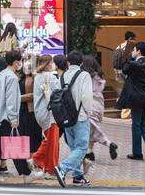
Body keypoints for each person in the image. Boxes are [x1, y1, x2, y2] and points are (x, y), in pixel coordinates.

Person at [0, 49, 33, 180]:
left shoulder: (1, 75)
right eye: (20, 61)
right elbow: (11, 100)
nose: (21, 63)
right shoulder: (12, 78)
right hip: (6, 116)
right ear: (16, 62)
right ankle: (26, 173)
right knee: (14, 143)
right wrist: (14, 118)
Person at [49, 50, 94, 187]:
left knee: (74, 148)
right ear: (81, 62)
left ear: (68, 62)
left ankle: (78, 177)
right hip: (80, 117)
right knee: (82, 148)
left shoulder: (62, 76)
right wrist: (88, 112)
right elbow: (86, 97)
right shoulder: (84, 75)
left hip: (67, 117)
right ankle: (62, 168)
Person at [118, 42, 145, 161]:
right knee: (141, 123)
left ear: (139, 51)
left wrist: (130, 58)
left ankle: (138, 152)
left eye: (134, 50)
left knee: (136, 124)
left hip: (135, 98)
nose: (132, 52)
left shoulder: (133, 64)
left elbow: (124, 69)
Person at [30, 54, 62, 177]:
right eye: (51, 62)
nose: (53, 65)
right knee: (52, 142)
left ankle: (45, 166)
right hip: (50, 114)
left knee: (49, 140)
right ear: (48, 64)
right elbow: (58, 93)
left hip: (40, 113)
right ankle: (47, 168)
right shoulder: (50, 77)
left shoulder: (37, 76)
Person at [81, 55, 117, 160]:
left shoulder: (86, 77)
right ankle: (90, 152)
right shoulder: (100, 77)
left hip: (90, 104)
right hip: (100, 104)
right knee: (92, 129)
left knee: (91, 130)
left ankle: (109, 144)